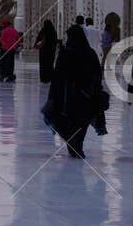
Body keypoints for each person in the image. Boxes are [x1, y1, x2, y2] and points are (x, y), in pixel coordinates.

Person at [44, 24, 104, 158]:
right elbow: (97, 74)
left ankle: (74, 145)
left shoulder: (65, 53)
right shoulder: (90, 53)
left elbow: (58, 75)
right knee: (81, 121)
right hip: (85, 95)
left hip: (68, 96)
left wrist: (55, 94)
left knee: (69, 121)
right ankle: (77, 145)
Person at [0, 17, 21, 81]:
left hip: (4, 49)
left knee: (3, 62)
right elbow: (18, 40)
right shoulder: (15, 31)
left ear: (5, 24)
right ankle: (10, 74)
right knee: (11, 62)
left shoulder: (4, 31)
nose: (2, 25)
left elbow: (0, 40)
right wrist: (15, 46)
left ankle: (3, 74)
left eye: (3, 24)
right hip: (12, 50)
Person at [35, 18, 59, 83]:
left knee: (43, 65)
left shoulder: (43, 31)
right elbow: (55, 42)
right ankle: (49, 77)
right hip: (51, 52)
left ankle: (43, 78)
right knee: (50, 64)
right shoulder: (53, 31)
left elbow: (38, 40)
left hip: (43, 52)